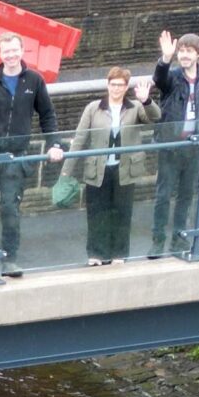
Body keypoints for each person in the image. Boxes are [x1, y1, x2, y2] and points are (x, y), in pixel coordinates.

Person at [0, 33, 65, 274]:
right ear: (0, 53)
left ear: (22, 50)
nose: (11, 55)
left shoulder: (34, 80)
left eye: (15, 50)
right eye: (6, 51)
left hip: (15, 157)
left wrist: (55, 144)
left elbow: (47, 114)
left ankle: (8, 258)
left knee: (9, 208)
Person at [56, 65, 159, 265]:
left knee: (122, 212)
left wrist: (146, 100)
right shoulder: (93, 108)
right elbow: (79, 139)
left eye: (120, 85)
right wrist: (66, 171)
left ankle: (119, 253)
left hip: (125, 169)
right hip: (98, 170)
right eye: (113, 84)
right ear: (107, 85)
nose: (116, 89)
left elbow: (154, 117)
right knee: (97, 213)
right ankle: (96, 254)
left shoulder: (135, 107)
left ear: (126, 86)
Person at [146, 31, 199, 257]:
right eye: (181, 51)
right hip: (171, 145)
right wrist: (165, 58)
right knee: (163, 195)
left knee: (186, 195)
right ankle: (157, 241)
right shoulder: (173, 76)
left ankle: (179, 239)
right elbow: (159, 79)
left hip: (195, 146)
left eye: (189, 51)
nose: (184, 55)